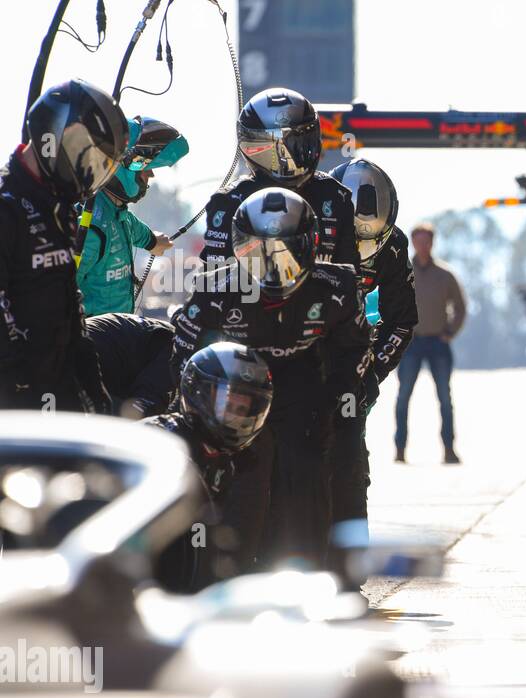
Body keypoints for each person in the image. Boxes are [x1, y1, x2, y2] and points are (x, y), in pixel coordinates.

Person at [171, 188, 370, 570]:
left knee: (325, 456)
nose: (273, 268)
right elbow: (183, 358)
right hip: (235, 395)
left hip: (303, 391)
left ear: (309, 246)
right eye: (257, 253)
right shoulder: (213, 290)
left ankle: (322, 572)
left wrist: (337, 401)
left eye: (285, 253)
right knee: (239, 472)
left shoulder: (339, 288)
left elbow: (355, 350)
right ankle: (223, 571)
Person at [1, 79, 126, 413]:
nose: (89, 173)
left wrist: (90, 381)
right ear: (52, 136)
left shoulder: (57, 211)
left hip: (56, 391)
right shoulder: (7, 206)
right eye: (85, 157)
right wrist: (19, 381)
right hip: (17, 404)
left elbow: (68, 304)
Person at [327, 158, 417, 540]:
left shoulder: (394, 246)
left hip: (350, 360)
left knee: (349, 461)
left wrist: (371, 371)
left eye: (370, 240)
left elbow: (402, 319)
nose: (362, 248)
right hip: (292, 353)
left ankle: (349, 561)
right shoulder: (301, 223)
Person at [146, 342, 273, 590]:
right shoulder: (159, 442)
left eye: (241, 409)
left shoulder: (225, 463)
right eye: (227, 405)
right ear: (199, 393)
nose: (235, 418)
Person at [199, 88, 357, 271]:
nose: (288, 161)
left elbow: (350, 279)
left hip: (319, 299)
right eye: (276, 151)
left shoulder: (335, 196)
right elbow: (214, 281)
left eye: (298, 144)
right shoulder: (228, 202)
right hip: (250, 298)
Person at [77, 115, 188, 316]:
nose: (151, 175)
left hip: (119, 334)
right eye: (146, 168)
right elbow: (61, 292)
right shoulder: (92, 227)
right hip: (95, 339)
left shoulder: (117, 211)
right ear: (123, 167)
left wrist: (154, 242)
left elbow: (136, 230)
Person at [395, 222, 465, 464]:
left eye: (427, 241)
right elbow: (390, 303)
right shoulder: (402, 271)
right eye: (418, 241)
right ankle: (400, 449)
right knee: (403, 396)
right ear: (412, 243)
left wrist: (450, 332)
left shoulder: (445, 275)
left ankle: (449, 448)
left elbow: (460, 307)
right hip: (410, 344)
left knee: (444, 397)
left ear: (432, 243)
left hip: (438, 342)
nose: (423, 245)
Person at [84, 312, 176, 417]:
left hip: (77, 341)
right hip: (91, 353)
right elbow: (145, 404)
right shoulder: (175, 348)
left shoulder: (160, 332)